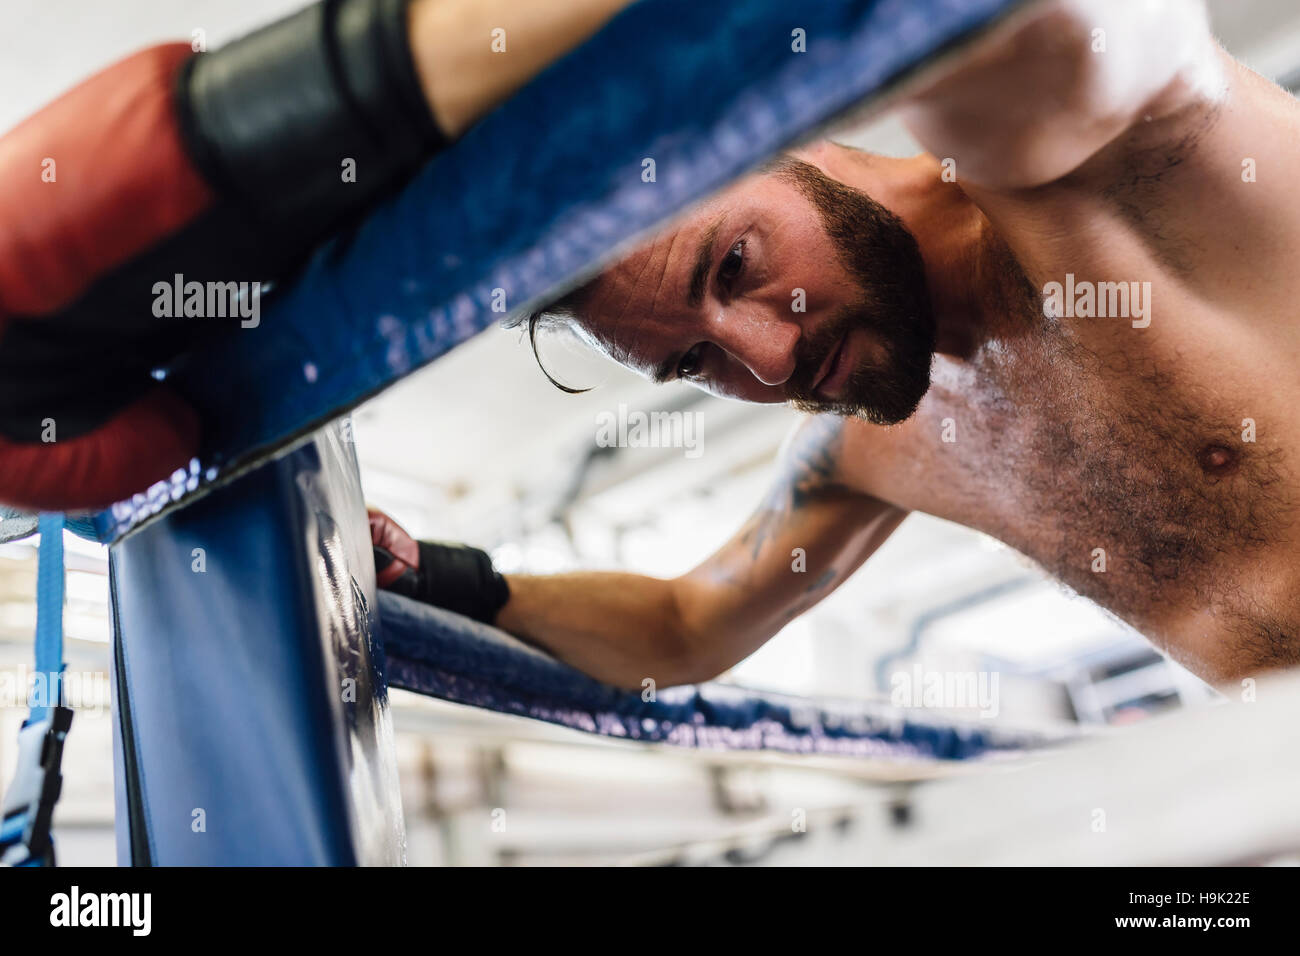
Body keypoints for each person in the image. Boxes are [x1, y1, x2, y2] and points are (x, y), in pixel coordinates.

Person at [374, 0, 1300, 686]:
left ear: (793, 124)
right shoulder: (869, 448)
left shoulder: (1096, 173)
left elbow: (1081, 31)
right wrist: (445, 581)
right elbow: (684, 624)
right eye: (696, 363)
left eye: (734, 265)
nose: (767, 362)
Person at [0, 0, 630, 510]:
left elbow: (176, 434)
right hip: (189, 144)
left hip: (198, 163)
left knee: (409, 81)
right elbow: (175, 434)